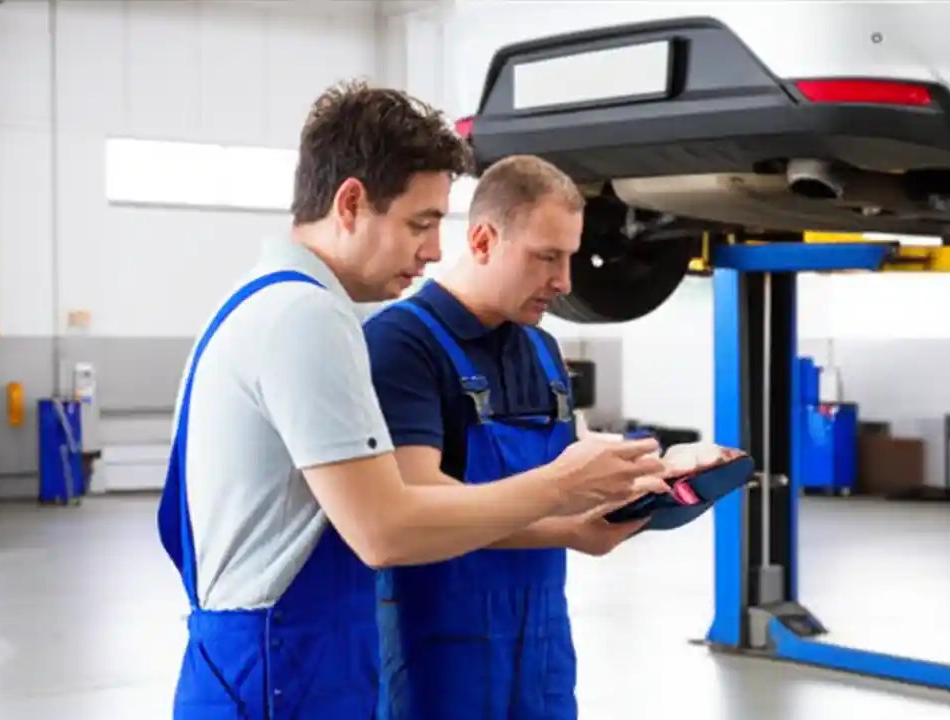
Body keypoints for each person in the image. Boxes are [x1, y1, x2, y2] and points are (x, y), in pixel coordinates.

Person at [155, 82, 668, 720]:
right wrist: (560, 489)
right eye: (420, 224)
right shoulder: (307, 318)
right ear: (350, 202)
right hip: (283, 671)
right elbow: (385, 530)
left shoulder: (259, 302)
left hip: (268, 662)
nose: (432, 250)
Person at [363, 155, 669, 720]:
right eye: (546, 257)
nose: (565, 282)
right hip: (438, 650)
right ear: (482, 240)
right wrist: (568, 530)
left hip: (542, 645)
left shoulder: (541, 348)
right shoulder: (400, 345)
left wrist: (646, 478)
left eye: (570, 257)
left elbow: (563, 465)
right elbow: (417, 503)